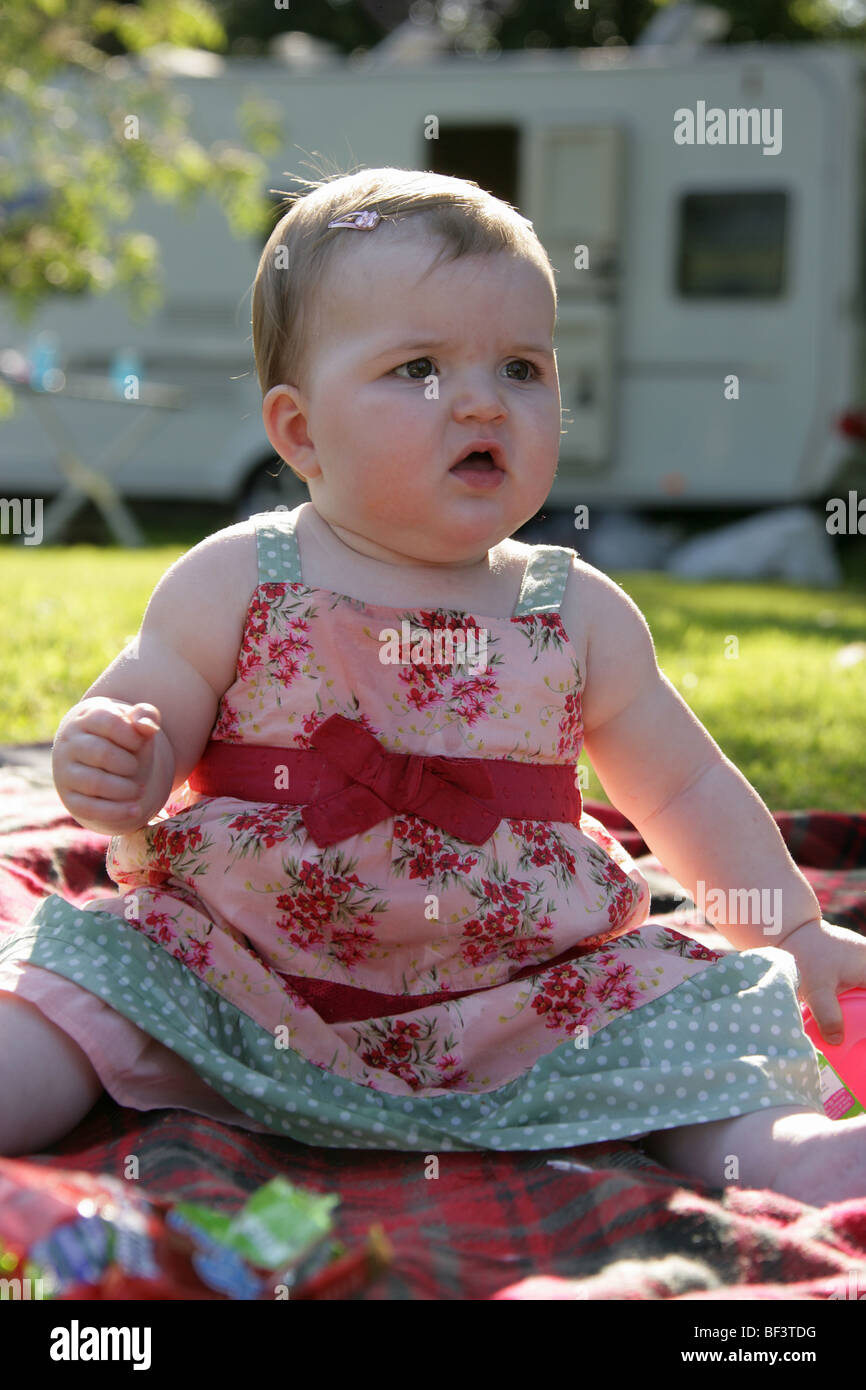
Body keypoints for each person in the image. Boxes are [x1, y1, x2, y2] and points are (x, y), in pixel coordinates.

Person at [1, 167, 864, 1207]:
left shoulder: (573, 611)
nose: (475, 399)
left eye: (519, 366)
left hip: (521, 999)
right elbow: (148, 713)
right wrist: (116, 758)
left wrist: (788, 931)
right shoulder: (240, 576)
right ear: (300, 430)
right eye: (416, 368)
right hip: (247, 972)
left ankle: (783, 1153)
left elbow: (682, 792)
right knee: (89, 979)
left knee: (685, 1016)